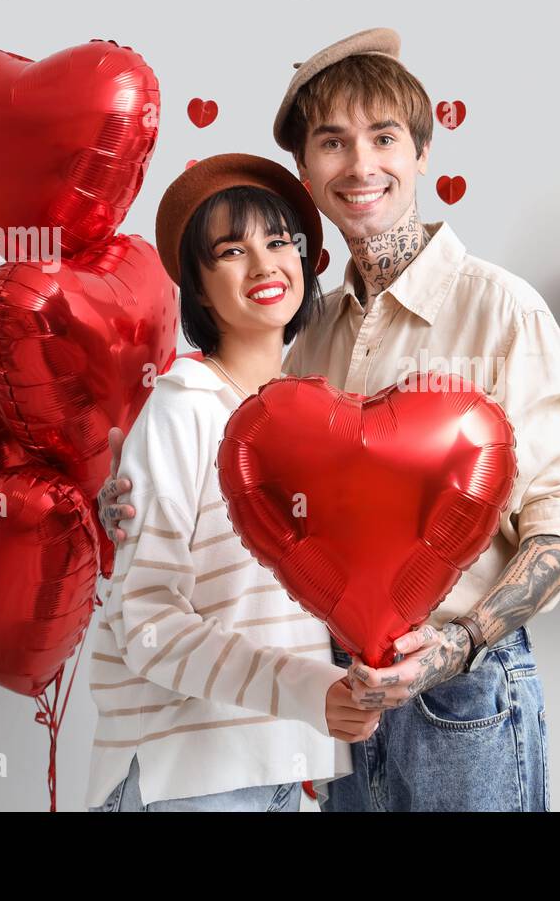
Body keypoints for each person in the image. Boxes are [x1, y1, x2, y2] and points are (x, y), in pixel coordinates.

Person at [99, 28, 560, 812]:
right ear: (308, 172)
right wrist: (127, 503)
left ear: (422, 152)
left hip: (463, 693)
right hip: (337, 702)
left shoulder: (500, 310)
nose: (361, 165)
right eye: (333, 143)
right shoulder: (309, 338)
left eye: (383, 138)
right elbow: (242, 485)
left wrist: (456, 646)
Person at [85, 154, 378, 812]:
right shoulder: (182, 407)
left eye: (278, 242)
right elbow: (148, 622)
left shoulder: (310, 419)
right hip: (188, 776)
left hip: (278, 770)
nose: (264, 263)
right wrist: (309, 690)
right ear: (197, 285)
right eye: (230, 250)